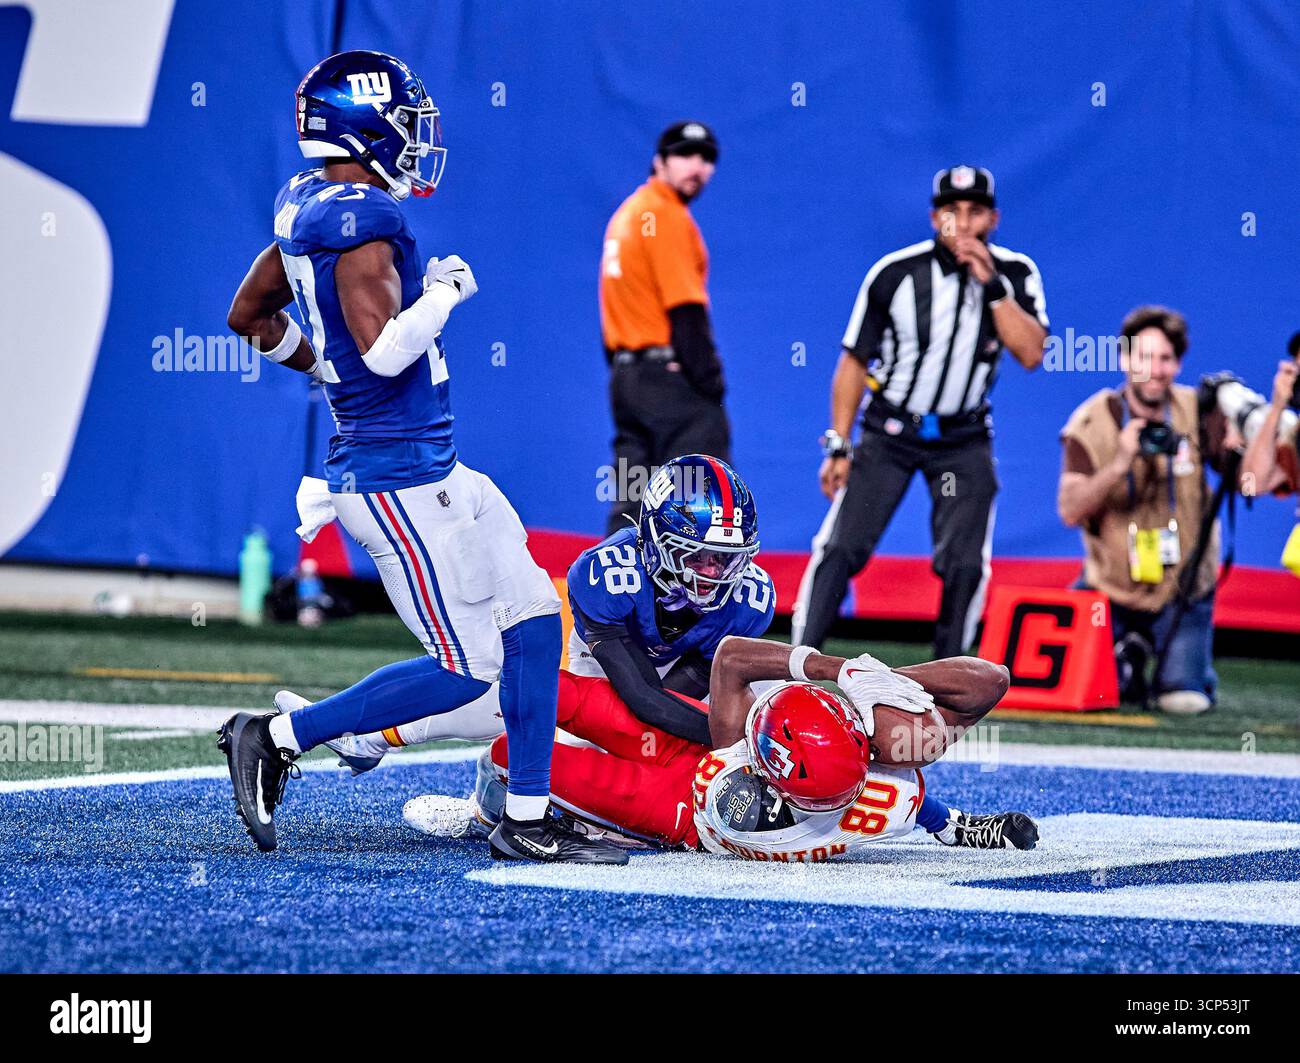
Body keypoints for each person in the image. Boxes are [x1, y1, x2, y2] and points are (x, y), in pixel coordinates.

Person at [220, 50, 622, 864]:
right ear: (363, 125)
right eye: (404, 123)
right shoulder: (361, 220)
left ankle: (528, 813)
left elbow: (249, 315)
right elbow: (383, 356)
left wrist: (321, 364)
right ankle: (278, 734)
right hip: (396, 479)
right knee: (470, 665)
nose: (414, 139)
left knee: (535, 619)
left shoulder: (306, 202)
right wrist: (444, 292)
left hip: (434, 468)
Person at [320, 454, 775, 770]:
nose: (712, 573)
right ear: (656, 541)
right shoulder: (607, 575)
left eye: (726, 558)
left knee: (768, 693)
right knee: (529, 708)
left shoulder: (749, 599)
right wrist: (740, 742)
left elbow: (677, 696)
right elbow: (641, 698)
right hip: (607, 663)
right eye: (697, 556)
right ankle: (375, 739)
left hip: (672, 671)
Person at [405, 635, 1039, 859]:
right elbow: (990, 682)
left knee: (512, 761)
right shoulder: (875, 768)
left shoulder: (758, 790)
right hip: (700, 746)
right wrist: (868, 674)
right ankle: (400, 717)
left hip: (681, 811)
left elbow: (734, 661)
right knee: (554, 691)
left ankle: (486, 813)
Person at [794, 166, 1049, 659]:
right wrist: (839, 443)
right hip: (890, 431)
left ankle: (951, 679)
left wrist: (992, 285)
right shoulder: (895, 273)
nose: (964, 224)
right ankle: (799, 664)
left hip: (963, 436)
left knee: (965, 561)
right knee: (842, 546)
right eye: (952, 212)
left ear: (993, 219)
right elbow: (853, 361)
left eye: (975, 212)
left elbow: (1033, 352)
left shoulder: (1015, 274)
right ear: (935, 218)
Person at [1057, 306, 1244, 715]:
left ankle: (1181, 667)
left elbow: (1251, 481)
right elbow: (1069, 510)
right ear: (1124, 359)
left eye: (1165, 359)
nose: (1154, 370)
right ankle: (1127, 653)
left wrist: (1242, 441)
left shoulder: (1197, 411)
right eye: (1143, 357)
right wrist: (1119, 463)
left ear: (1177, 363)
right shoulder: (1092, 420)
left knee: (1183, 702)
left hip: (1182, 592)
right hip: (1109, 593)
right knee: (1100, 695)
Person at [599, 122, 731, 534]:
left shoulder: (629, 213)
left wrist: (630, 372)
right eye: (685, 154)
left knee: (633, 502)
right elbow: (686, 312)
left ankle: (608, 593)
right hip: (669, 386)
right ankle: (691, 600)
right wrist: (710, 387)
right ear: (659, 162)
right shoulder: (665, 215)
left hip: (627, 381)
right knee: (696, 502)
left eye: (707, 158)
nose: (698, 166)